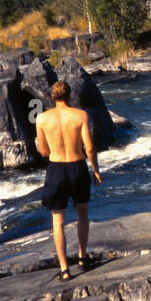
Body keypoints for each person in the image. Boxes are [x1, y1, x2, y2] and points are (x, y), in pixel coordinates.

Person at [36, 79, 103, 281]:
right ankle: (82, 258)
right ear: (69, 95)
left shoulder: (42, 119)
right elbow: (89, 147)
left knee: (58, 220)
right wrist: (96, 170)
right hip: (77, 166)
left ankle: (64, 269)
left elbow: (43, 150)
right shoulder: (81, 115)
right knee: (83, 213)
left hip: (56, 169)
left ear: (52, 97)